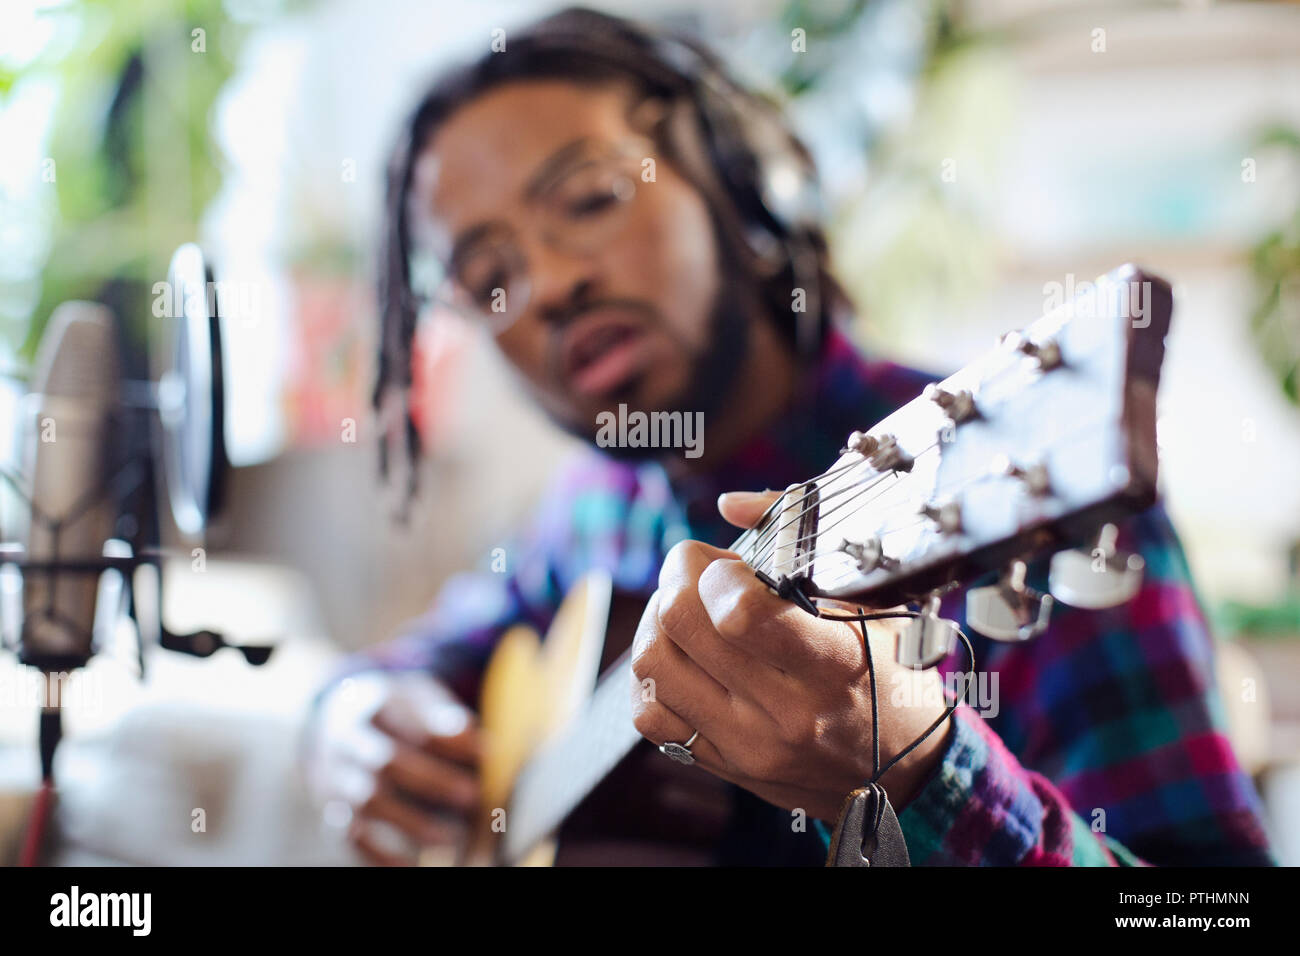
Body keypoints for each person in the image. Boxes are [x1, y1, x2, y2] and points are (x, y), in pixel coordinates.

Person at [305, 7, 1274, 866]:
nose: (550, 284)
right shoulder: (597, 500)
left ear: (738, 187)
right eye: (489, 275)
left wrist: (922, 776)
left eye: (591, 199)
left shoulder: (1012, 483)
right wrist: (348, 715)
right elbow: (437, 647)